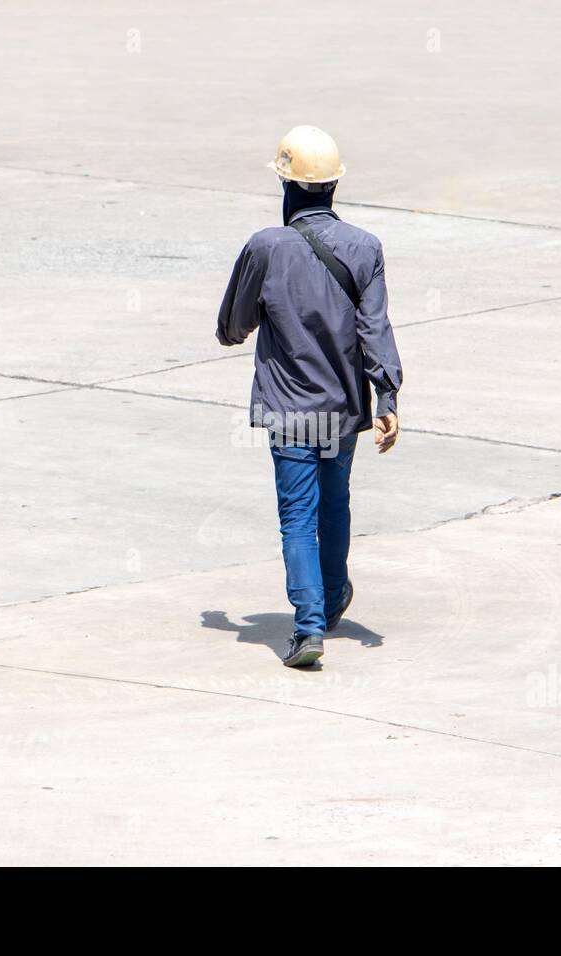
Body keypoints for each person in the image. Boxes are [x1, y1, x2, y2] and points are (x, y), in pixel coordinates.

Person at [216, 125, 403, 668]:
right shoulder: (365, 248)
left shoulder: (266, 247)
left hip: (291, 412)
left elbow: (233, 324)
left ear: (286, 185)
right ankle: (335, 590)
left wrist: (240, 326)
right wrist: (387, 398)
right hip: (343, 410)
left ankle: (307, 627)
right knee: (335, 502)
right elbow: (376, 329)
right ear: (333, 188)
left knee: (298, 514)